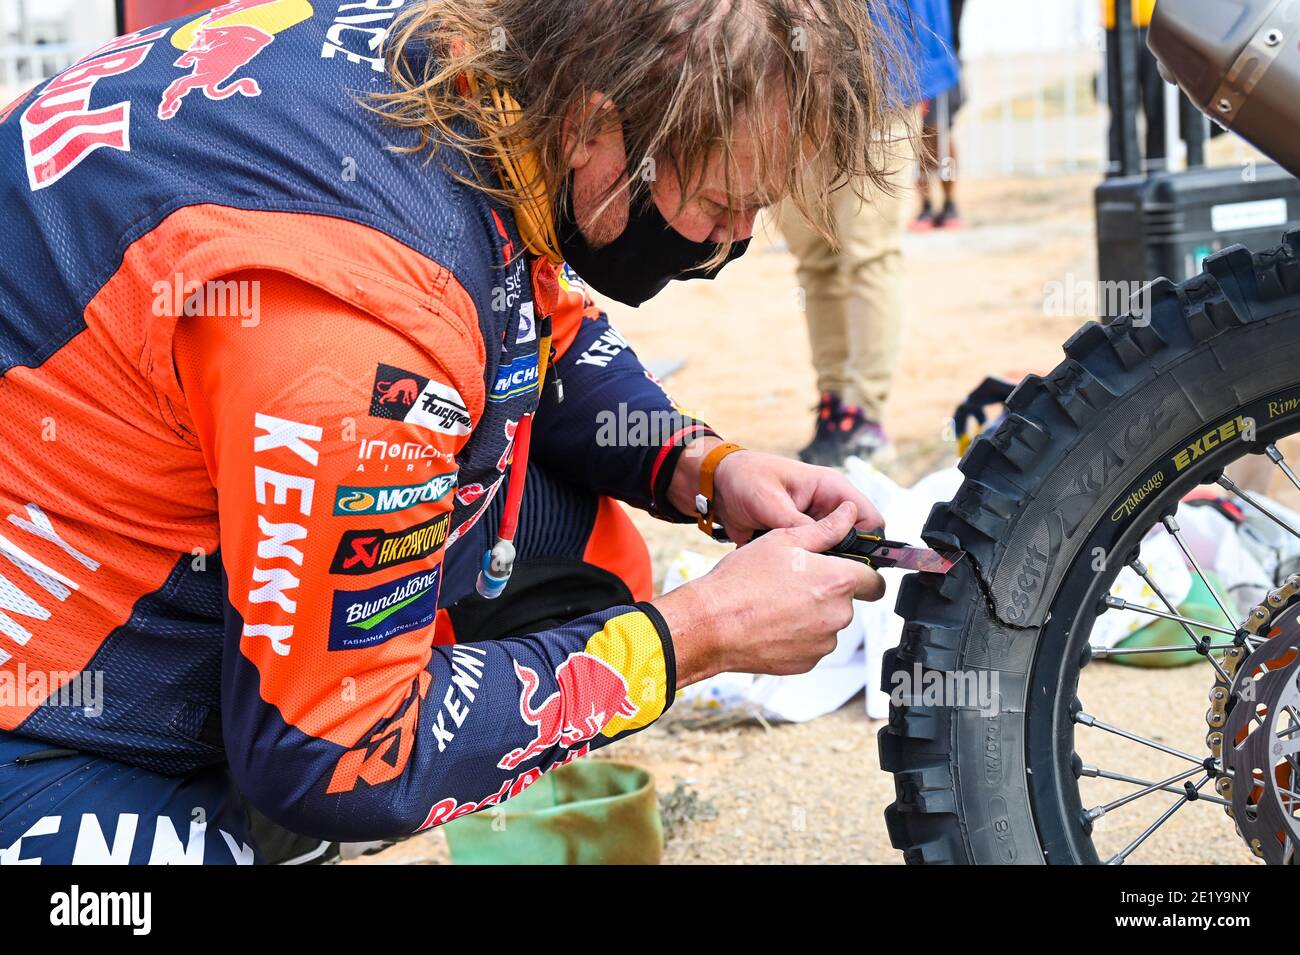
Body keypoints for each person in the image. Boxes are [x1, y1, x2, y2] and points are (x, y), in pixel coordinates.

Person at [0, 0, 905, 863]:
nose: (732, 239)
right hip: (49, 680)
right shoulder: (358, 327)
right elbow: (341, 751)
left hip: (123, 448)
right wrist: (698, 631)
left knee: (591, 566)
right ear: (594, 124)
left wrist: (702, 467)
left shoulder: (459, 64)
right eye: (720, 199)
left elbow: (532, 316)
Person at [781, 0, 958, 468]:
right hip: (787, 76)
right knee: (814, 256)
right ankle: (835, 403)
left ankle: (865, 416)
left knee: (868, 251)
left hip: (880, 68)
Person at [912, 0, 965, 230]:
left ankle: (950, 203)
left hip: (942, 60)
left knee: (940, 132)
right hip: (911, 62)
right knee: (919, 136)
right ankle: (925, 205)